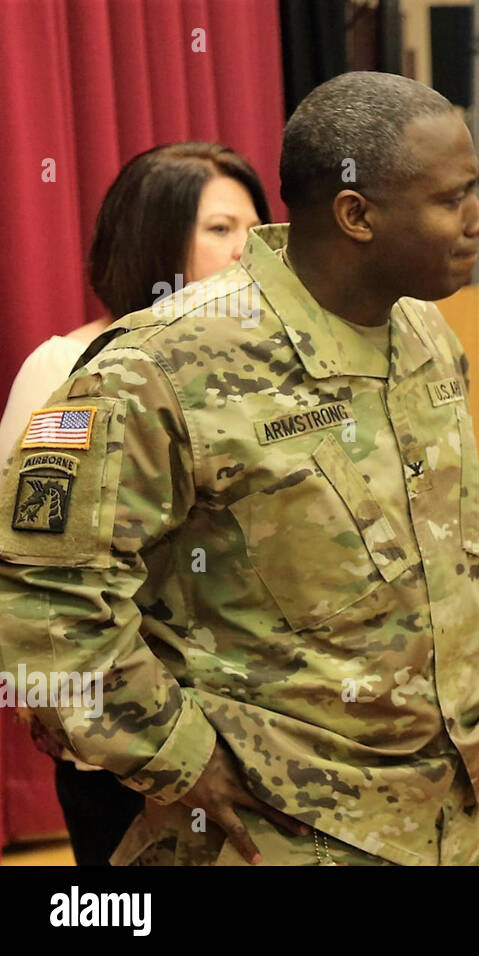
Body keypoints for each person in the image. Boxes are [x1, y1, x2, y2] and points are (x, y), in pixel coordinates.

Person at [0, 71, 479, 866]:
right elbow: (40, 601)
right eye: (453, 199)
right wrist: (175, 754)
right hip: (271, 834)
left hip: (454, 813)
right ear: (356, 215)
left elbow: (469, 499)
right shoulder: (156, 368)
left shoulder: (421, 333)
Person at [0, 141, 269, 866]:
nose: (252, 249)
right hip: (133, 749)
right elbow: (37, 578)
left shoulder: (273, 372)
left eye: (257, 226)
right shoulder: (69, 369)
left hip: (270, 736)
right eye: (221, 229)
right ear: (157, 237)